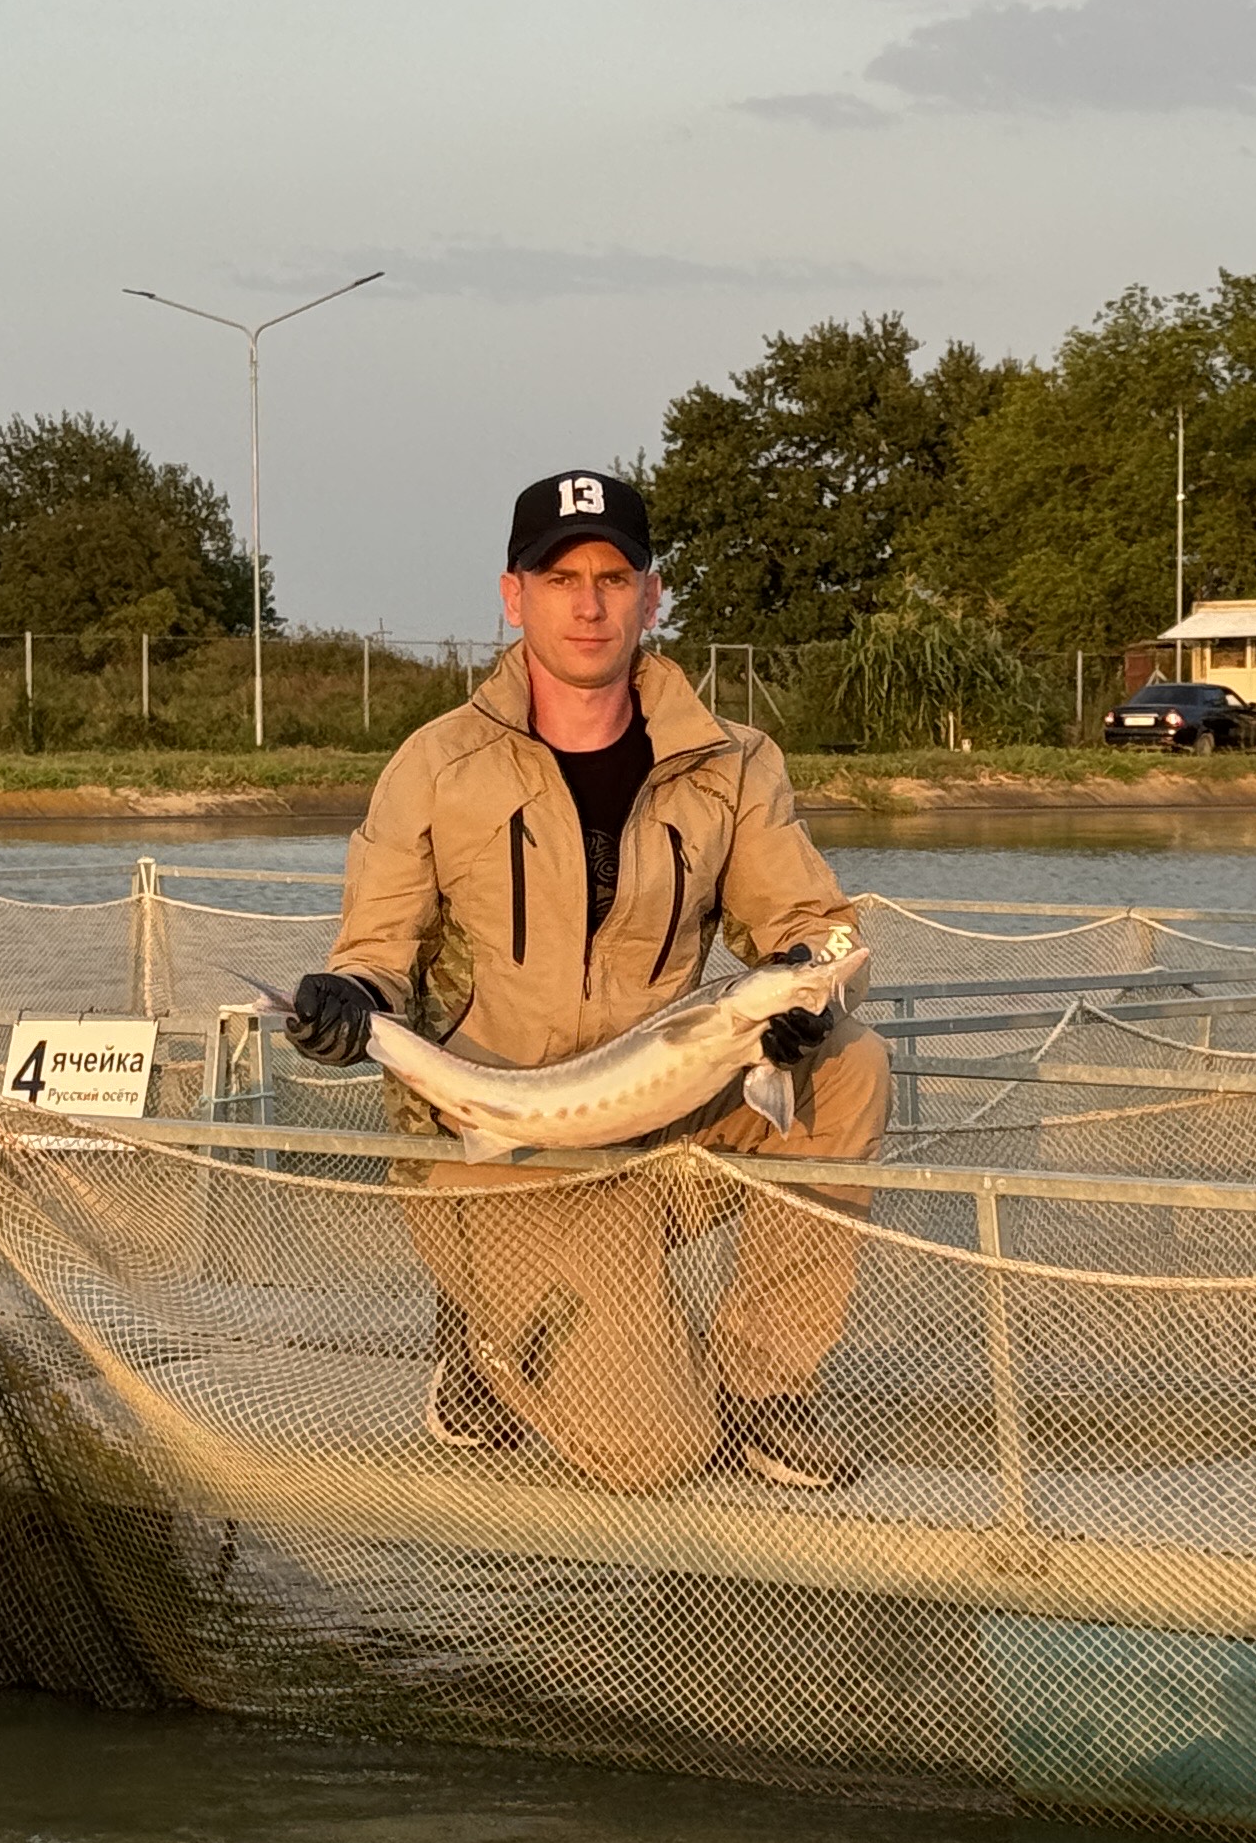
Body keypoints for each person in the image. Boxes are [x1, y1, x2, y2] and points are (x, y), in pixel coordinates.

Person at [280, 468, 888, 1495]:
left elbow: (814, 932)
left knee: (851, 1063)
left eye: (615, 576)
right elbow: (374, 957)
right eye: (560, 577)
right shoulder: (433, 764)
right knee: (652, 1457)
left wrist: (810, 997)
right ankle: (482, 1335)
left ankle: (765, 1384)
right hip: (497, 1146)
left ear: (653, 595)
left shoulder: (731, 764)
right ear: (513, 596)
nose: (590, 602)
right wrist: (348, 1007)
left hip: (659, 1127)